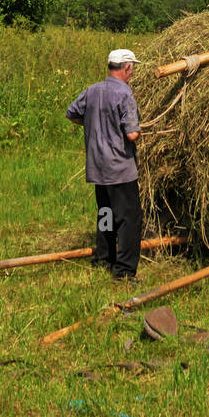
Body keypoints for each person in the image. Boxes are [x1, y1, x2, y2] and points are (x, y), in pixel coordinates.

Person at [66, 50, 142, 280]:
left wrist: (92, 124)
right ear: (126, 68)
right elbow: (132, 135)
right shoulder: (124, 94)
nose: (133, 72)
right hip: (119, 167)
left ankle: (104, 257)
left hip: (97, 165)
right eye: (133, 68)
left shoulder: (93, 90)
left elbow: (72, 113)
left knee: (106, 212)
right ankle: (125, 270)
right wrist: (137, 129)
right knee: (129, 219)